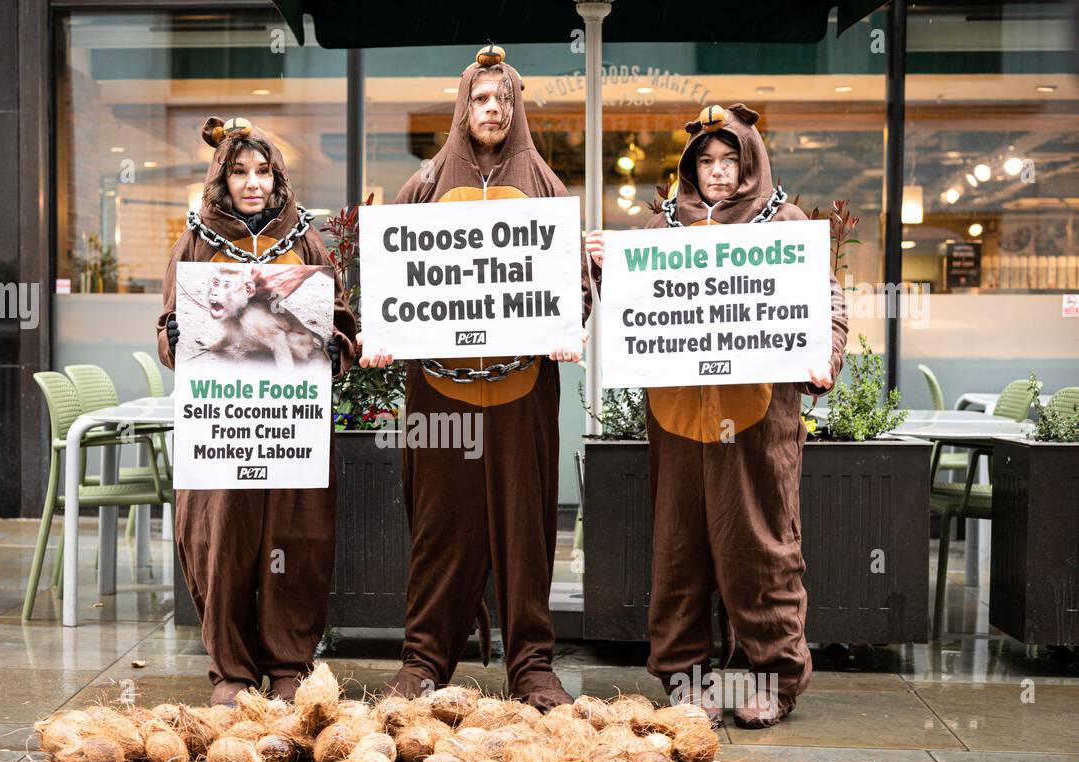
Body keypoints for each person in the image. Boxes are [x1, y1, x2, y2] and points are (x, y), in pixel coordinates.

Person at [586, 104, 849, 727]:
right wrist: (606, 268)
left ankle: (775, 679)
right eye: (706, 161)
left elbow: (828, 299)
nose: (719, 172)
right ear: (690, 168)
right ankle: (686, 677)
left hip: (758, 420)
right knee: (679, 550)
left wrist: (824, 356)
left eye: (730, 159)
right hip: (678, 420)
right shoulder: (659, 228)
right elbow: (633, 314)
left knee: (761, 547)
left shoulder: (782, 222)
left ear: (750, 160)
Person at [363, 45, 591, 712]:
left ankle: (532, 663)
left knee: (527, 527)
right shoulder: (424, 185)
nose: (492, 108)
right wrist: (378, 334)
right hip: (441, 396)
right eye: (479, 98)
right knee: (439, 527)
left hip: (522, 396)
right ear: (463, 109)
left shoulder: (548, 190)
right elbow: (389, 279)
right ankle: (424, 657)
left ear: (516, 109)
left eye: (503, 99)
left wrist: (575, 308)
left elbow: (571, 287)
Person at [156, 116, 356, 704]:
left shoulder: (307, 243)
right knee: (222, 539)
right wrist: (177, 331)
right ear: (222, 178)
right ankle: (232, 670)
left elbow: (338, 317)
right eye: (240, 172)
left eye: (263, 171)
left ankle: (290, 662)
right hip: (224, 429)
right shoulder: (191, 243)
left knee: (297, 535)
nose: (252, 182)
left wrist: (336, 342)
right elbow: (169, 334)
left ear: (277, 177)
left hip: (292, 425)